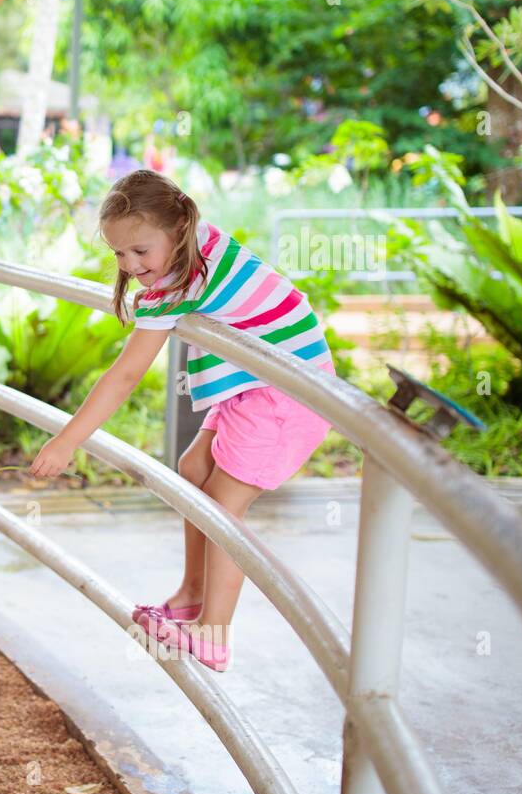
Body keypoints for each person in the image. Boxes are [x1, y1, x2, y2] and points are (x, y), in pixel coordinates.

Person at [28, 169, 337, 672]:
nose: (130, 265)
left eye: (140, 252)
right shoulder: (194, 243)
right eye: (118, 254)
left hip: (286, 394)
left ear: (178, 229)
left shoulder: (177, 285)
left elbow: (126, 375)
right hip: (258, 383)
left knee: (224, 507)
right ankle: (192, 594)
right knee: (194, 470)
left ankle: (214, 635)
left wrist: (67, 441)